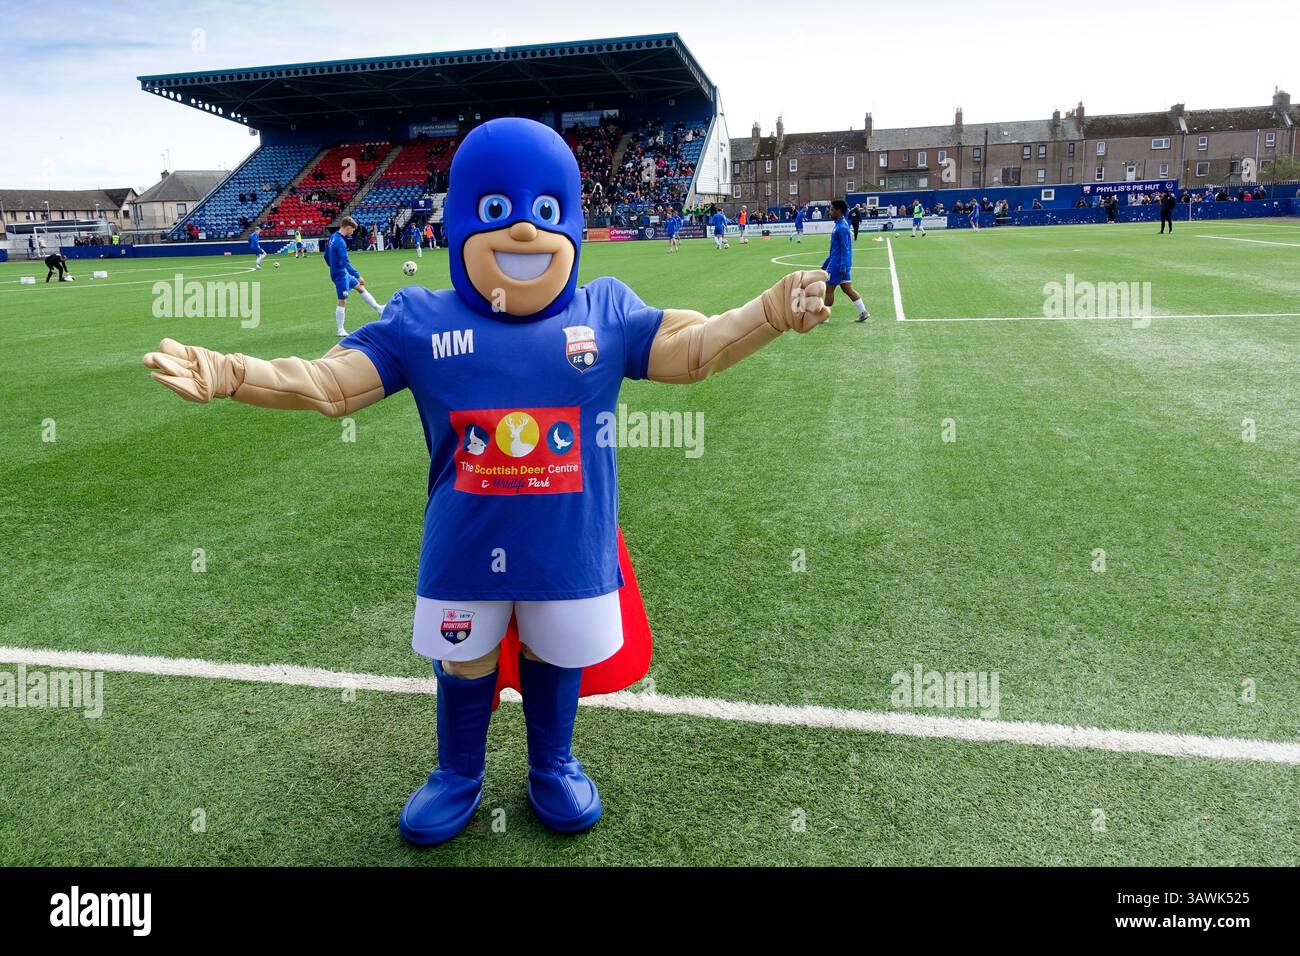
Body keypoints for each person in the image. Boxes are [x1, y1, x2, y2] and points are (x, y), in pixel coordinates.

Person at [142, 117, 830, 849]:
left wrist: (767, 312)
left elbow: (693, 350)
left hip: (567, 552)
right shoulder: (420, 321)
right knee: (463, 658)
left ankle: (552, 765)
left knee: (554, 651)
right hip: (465, 550)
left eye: (546, 213)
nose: (526, 233)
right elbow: (328, 385)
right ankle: (458, 774)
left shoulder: (606, 312)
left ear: (572, 221)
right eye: (500, 213)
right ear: (464, 219)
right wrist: (231, 371)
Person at [326, 216, 384, 336]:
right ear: (347, 228)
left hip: (341, 272)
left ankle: (378, 308)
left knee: (360, 288)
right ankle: (340, 329)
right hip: (340, 274)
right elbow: (345, 262)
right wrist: (357, 275)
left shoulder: (333, 236)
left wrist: (332, 266)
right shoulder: (340, 242)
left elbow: (326, 255)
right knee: (342, 300)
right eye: (352, 230)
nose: (352, 232)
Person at [822, 199, 870, 323]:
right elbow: (835, 249)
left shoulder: (842, 227)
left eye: (832, 209)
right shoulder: (839, 224)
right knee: (847, 289)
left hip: (838, 264)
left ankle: (824, 317)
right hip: (839, 262)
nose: (830, 212)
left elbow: (844, 248)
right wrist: (826, 263)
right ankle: (863, 312)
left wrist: (842, 266)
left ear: (839, 211)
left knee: (829, 289)